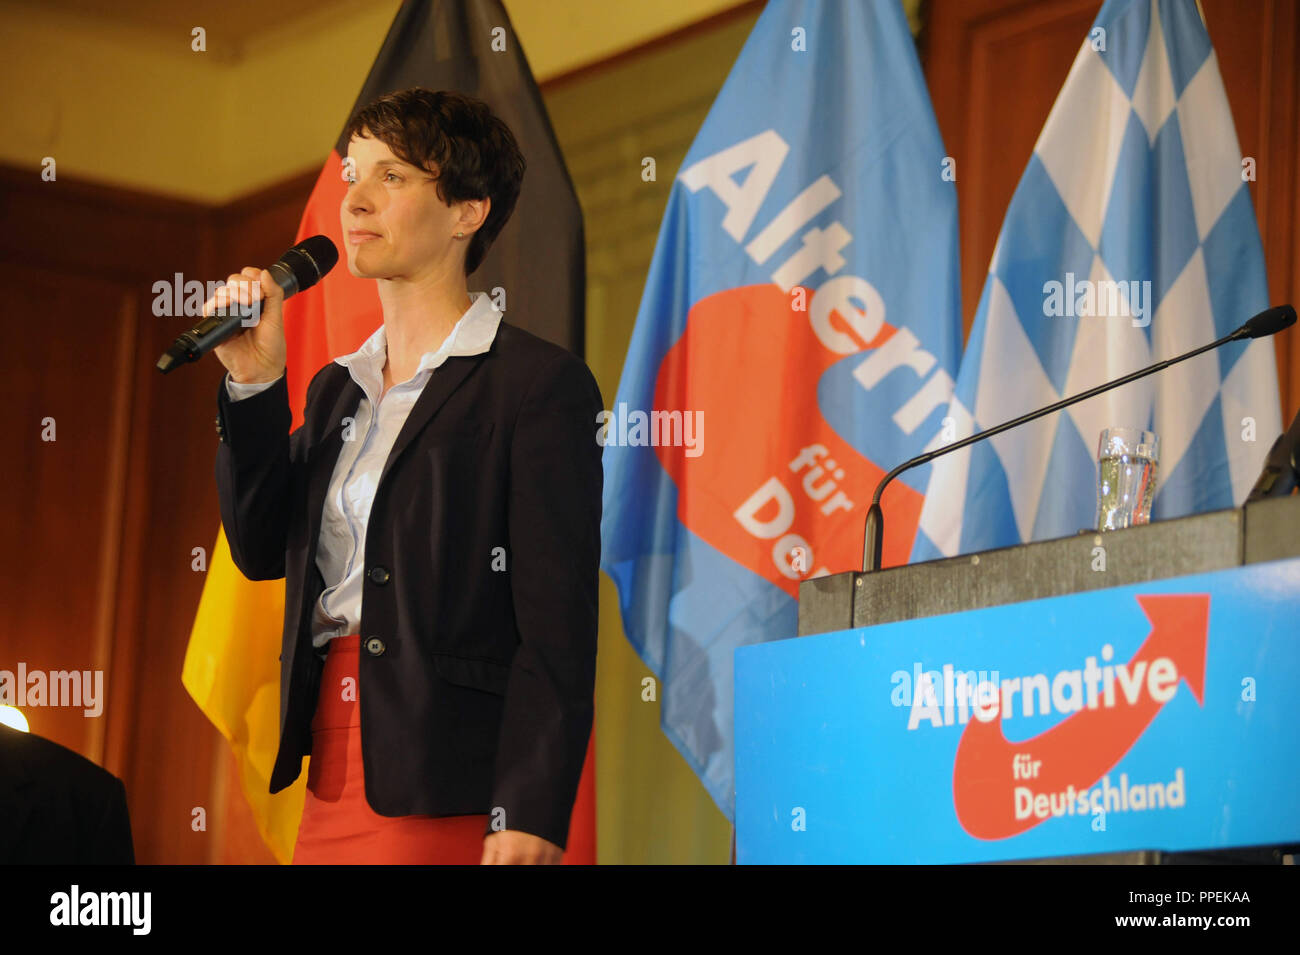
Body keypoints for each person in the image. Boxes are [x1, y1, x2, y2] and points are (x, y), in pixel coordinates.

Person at [208, 88, 602, 865]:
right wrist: (254, 386)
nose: (353, 198)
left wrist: (529, 804)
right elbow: (258, 548)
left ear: (468, 210)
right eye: (354, 173)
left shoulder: (535, 385)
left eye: (390, 177)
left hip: (450, 774)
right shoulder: (334, 389)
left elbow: (557, 624)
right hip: (332, 771)